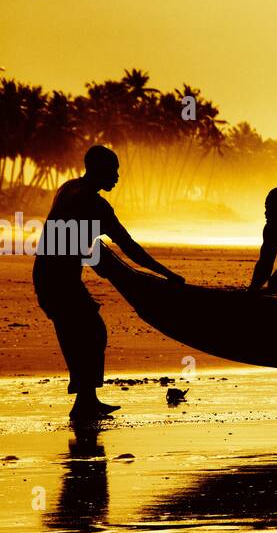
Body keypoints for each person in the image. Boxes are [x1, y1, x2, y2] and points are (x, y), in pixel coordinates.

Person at [34, 145, 185, 420]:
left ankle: (86, 401)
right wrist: (167, 274)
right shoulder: (94, 204)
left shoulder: (69, 188)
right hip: (59, 281)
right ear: (98, 169)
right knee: (91, 333)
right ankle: (84, 403)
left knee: (84, 334)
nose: (117, 176)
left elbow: (74, 239)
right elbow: (130, 247)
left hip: (46, 275)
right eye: (113, 171)